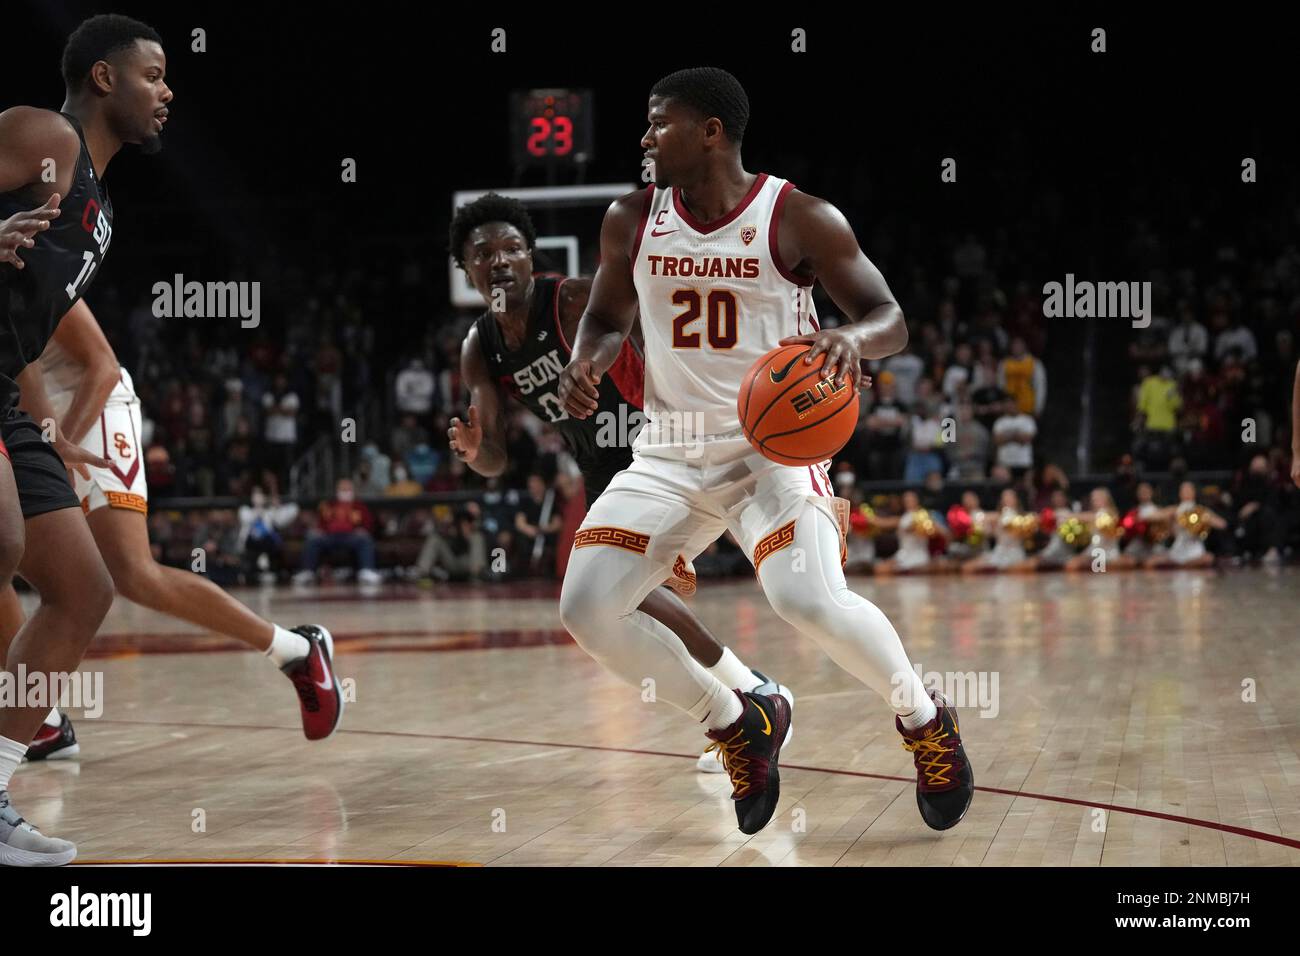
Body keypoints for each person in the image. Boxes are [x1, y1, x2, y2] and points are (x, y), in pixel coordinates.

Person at [557, 67, 973, 834]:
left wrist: (847, 337)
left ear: (710, 132)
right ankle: (736, 718)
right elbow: (608, 317)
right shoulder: (630, 218)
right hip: (669, 452)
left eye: (660, 124)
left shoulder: (799, 216)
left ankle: (923, 716)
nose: (645, 139)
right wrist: (588, 359)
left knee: (804, 597)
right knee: (584, 605)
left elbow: (889, 316)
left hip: (770, 452)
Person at [446, 192, 792, 773]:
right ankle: (749, 697)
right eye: (484, 252)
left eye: (512, 248)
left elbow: (658, 338)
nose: (500, 260)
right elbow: (497, 459)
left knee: (627, 592)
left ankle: (748, 697)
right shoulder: (479, 346)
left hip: (654, 441)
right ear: (466, 270)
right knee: (620, 597)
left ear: (533, 257)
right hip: (597, 459)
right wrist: (477, 453)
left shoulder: (575, 298)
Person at [0, 14, 164, 866]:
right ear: (104, 77)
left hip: (6, 393)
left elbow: (38, 333)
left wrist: (51, 428)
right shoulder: (43, 134)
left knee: (82, 586)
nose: (167, 92)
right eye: (154, 75)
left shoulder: (98, 205)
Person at [294, 478, 382, 585]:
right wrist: (318, 530)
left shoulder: (359, 506)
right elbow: (321, 523)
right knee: (312, 538)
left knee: (365, 539)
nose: (345, 492)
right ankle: (307, 572)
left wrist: (363, 530)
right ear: (337, 491)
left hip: (351, 537)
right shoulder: (328, 505)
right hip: (329, 537)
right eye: (342, 489)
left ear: (353, 491)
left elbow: (368, 524)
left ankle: (366, 571)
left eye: (347, 489)